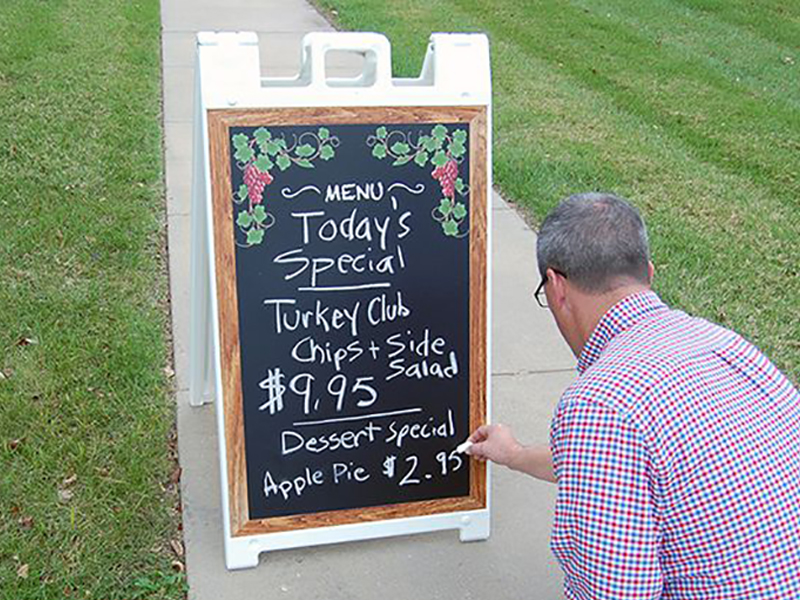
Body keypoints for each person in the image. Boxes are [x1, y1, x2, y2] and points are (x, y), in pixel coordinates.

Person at [467, 192, 800, 599]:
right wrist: (515, 453)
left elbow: (615, 591)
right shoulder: (729, 349)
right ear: (649, 273)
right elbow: (632, 466)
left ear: (556, 287)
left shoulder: (602, 404)